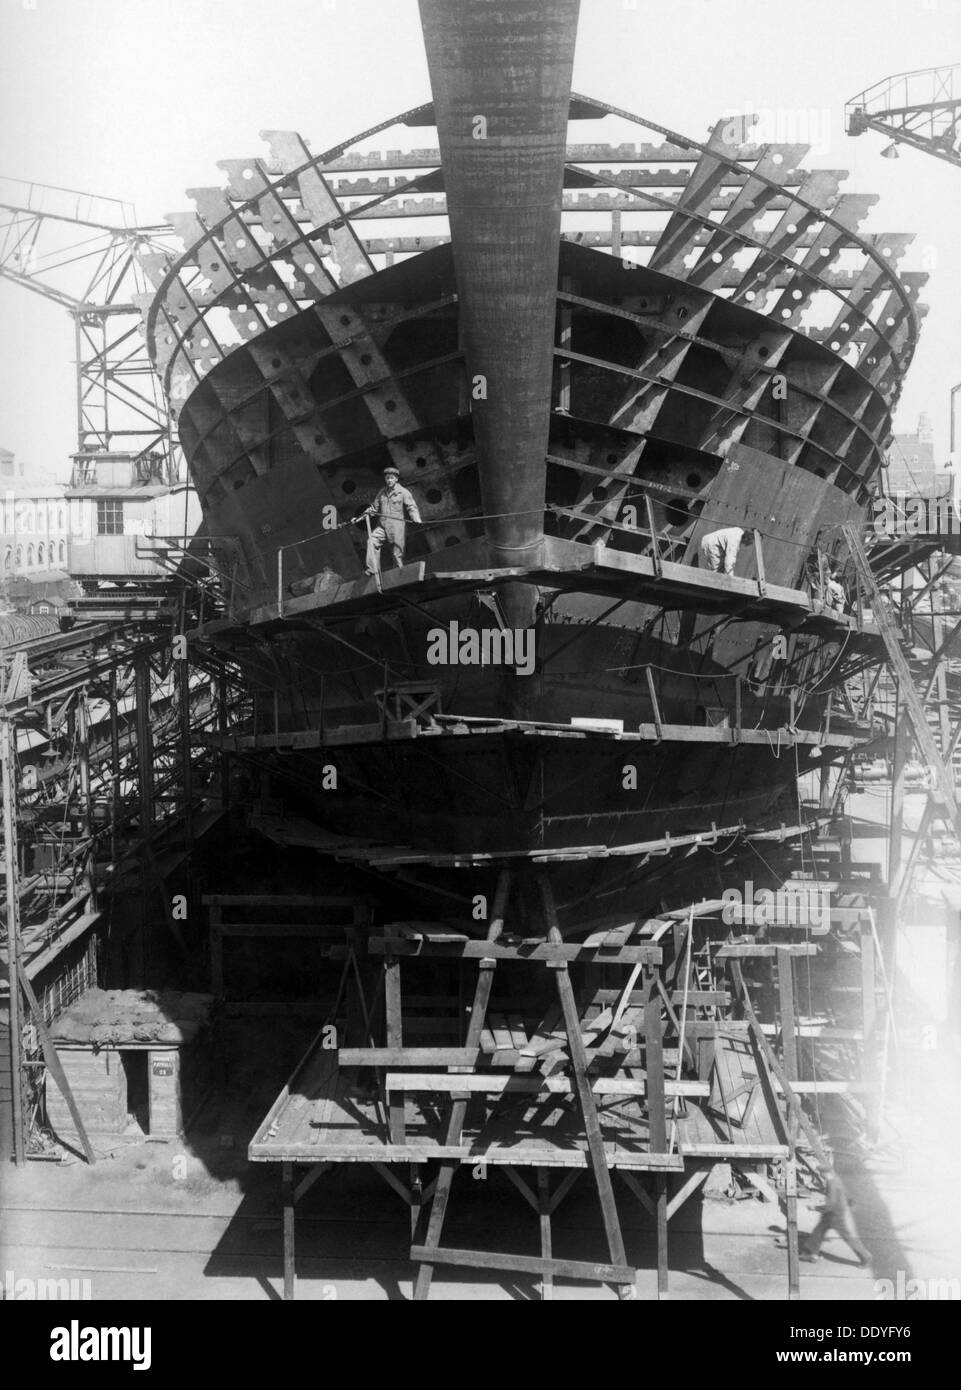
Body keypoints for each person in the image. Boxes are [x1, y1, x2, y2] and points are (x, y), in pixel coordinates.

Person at [354, 466, 421, 576]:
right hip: (383, 525)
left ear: (396, 479)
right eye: (387, 478)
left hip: (396, 526)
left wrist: (416, 518)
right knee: (372, 541)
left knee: (397, 552)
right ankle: (372, 569)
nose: (389, 480)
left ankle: (399, 574)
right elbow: (373, 508)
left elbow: (411, 506)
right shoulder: (382, 493)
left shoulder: (403, 492)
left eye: (391, 478)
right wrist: (359, 518)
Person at [801, 1168, 870, 1265]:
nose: (821, 1176)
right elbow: (844, 1193)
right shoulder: (836, 1179)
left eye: (821, 1174)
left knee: (847, 1237)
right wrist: (850, 1203)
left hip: (835, 1215)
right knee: (819, 1232)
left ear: (825, 1173)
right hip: (834, 1213)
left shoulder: (831, 1183)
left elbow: (831, 1204)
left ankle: (866, 1257)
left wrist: (815, 1208)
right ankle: (812, 1254)